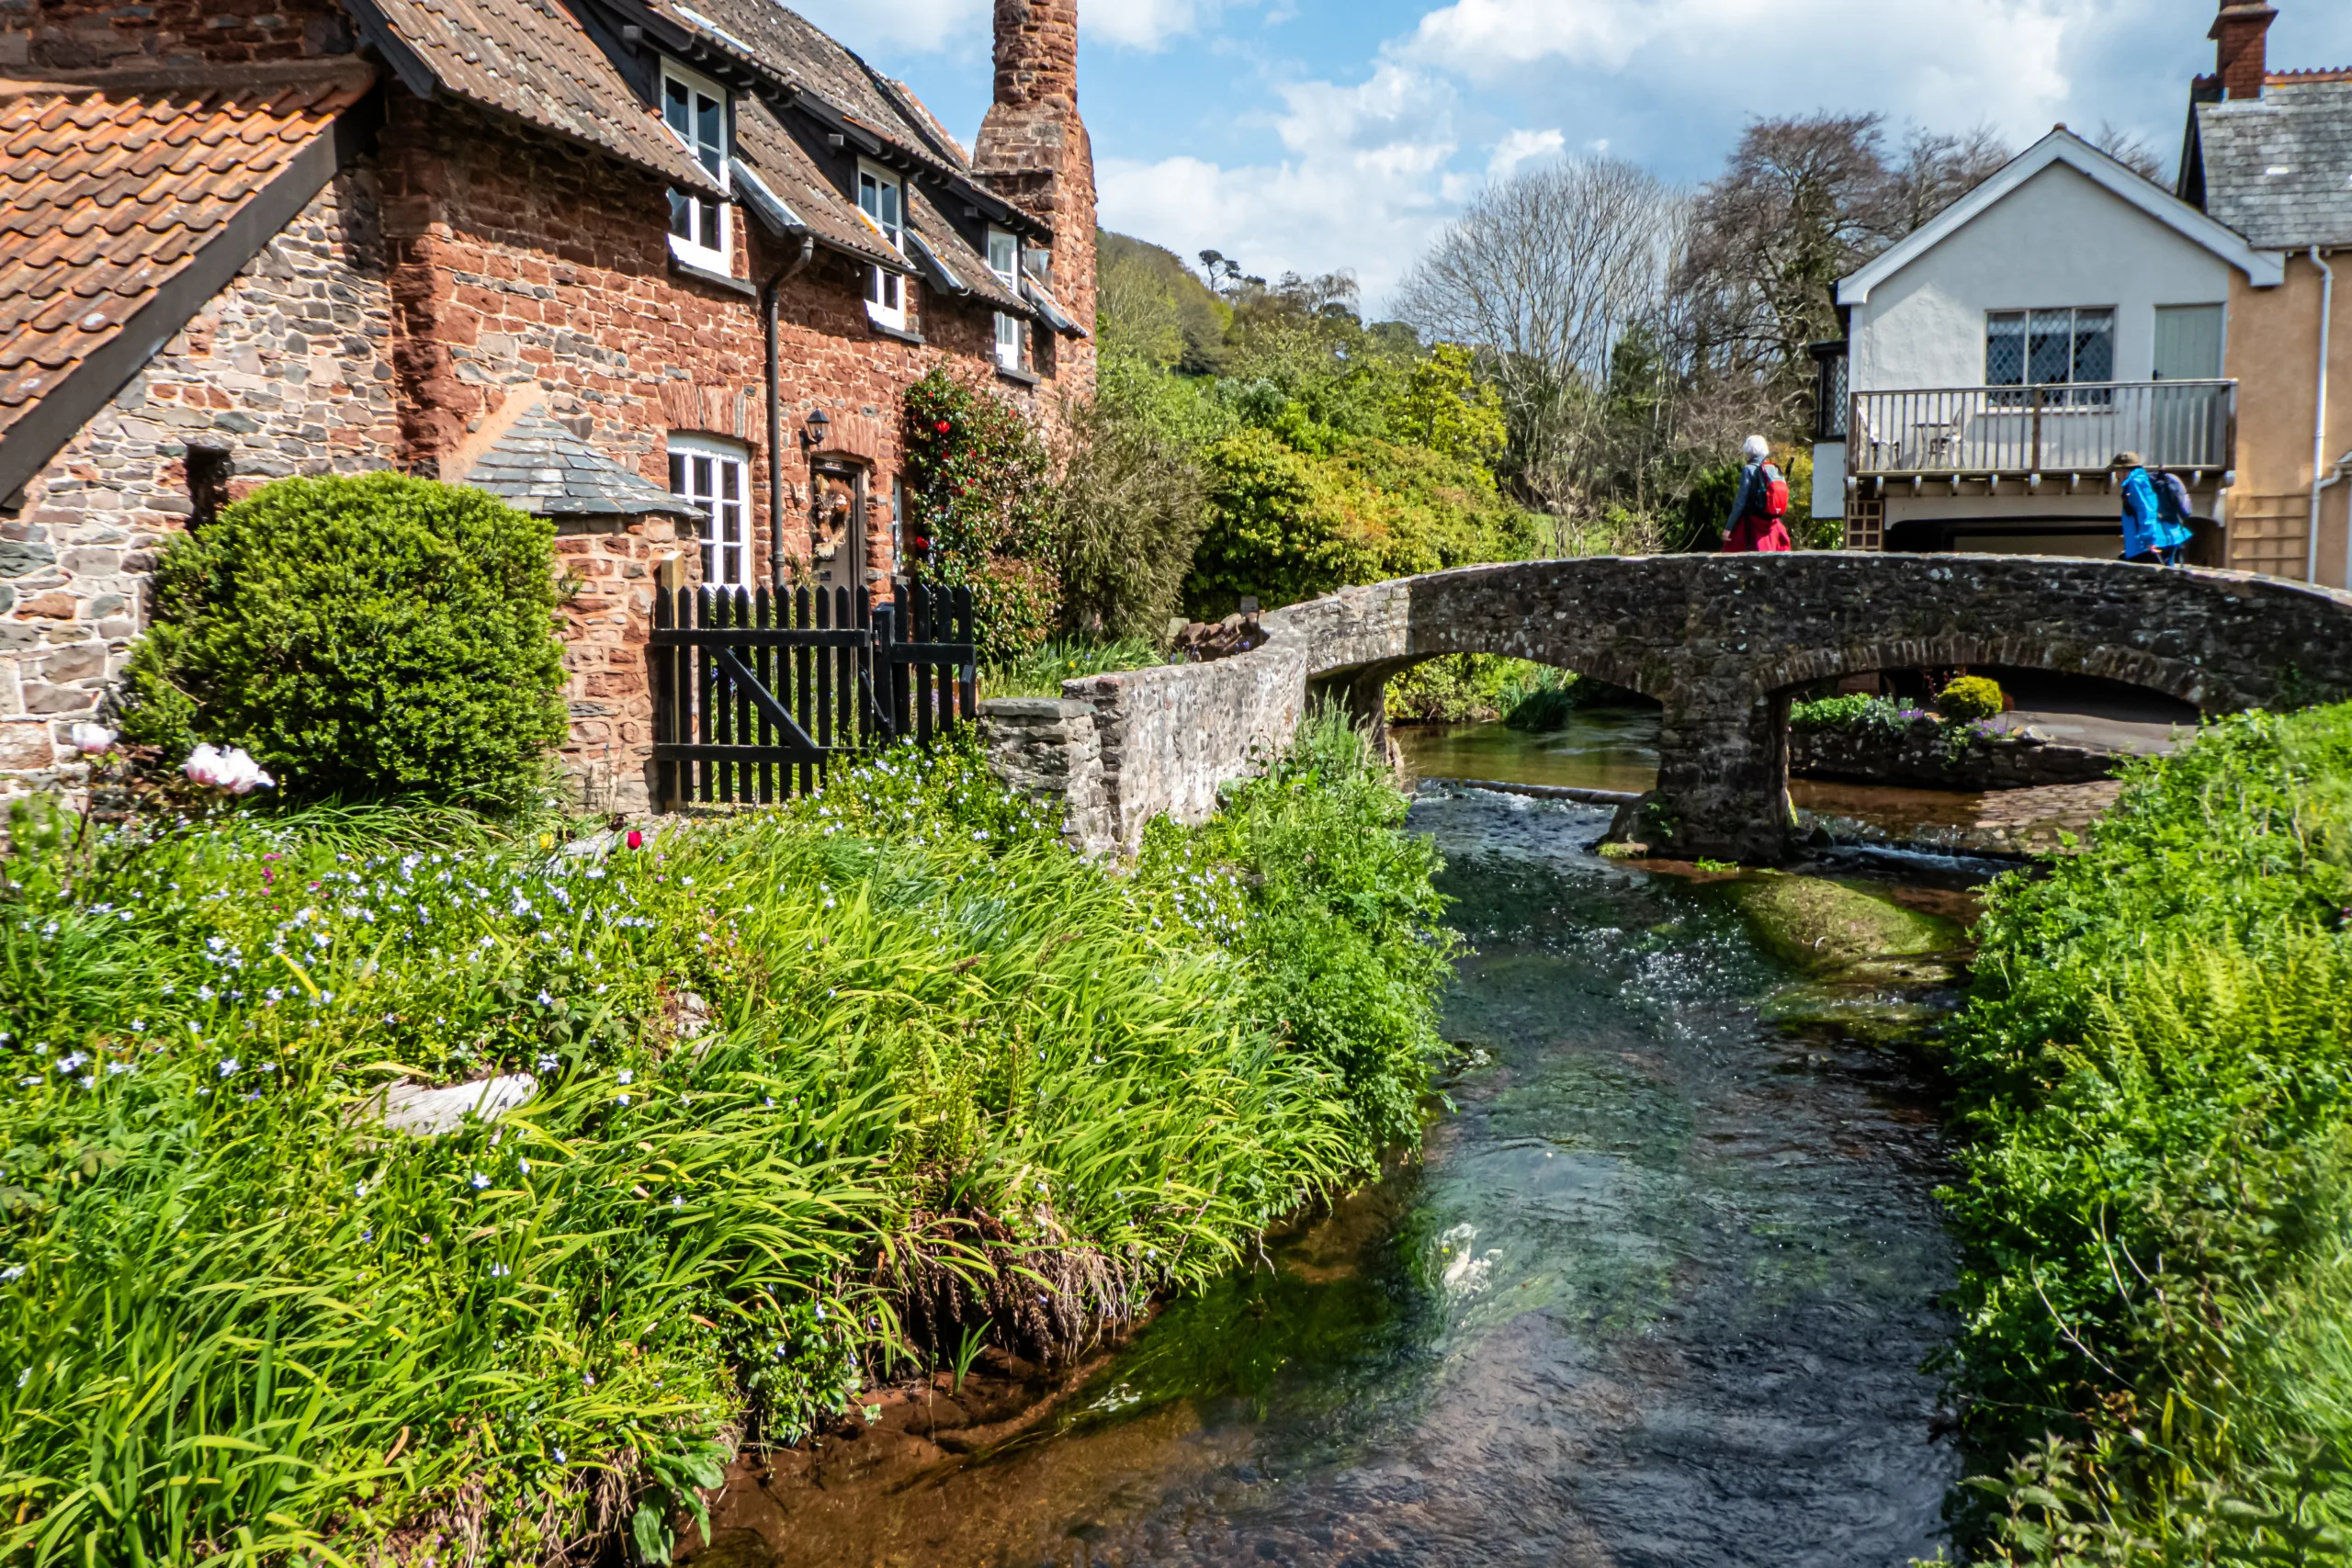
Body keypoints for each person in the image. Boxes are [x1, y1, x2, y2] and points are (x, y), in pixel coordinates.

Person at [2114, 451, 2192, 566]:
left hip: (2150, 545)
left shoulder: (2137, 483)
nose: (2116, 476)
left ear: (2124, 471)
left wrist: (2150, 541)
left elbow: (2146, 511)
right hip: (2164, 539)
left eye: (2117, 471)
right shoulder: (2139, 481)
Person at [1722, 434, 1792, 553]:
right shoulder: (1774, 469)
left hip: (1752, 523)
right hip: (1773, 524)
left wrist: (1728, 528)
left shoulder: (1748, 469)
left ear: (1748, 450)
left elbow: (1740, 501)